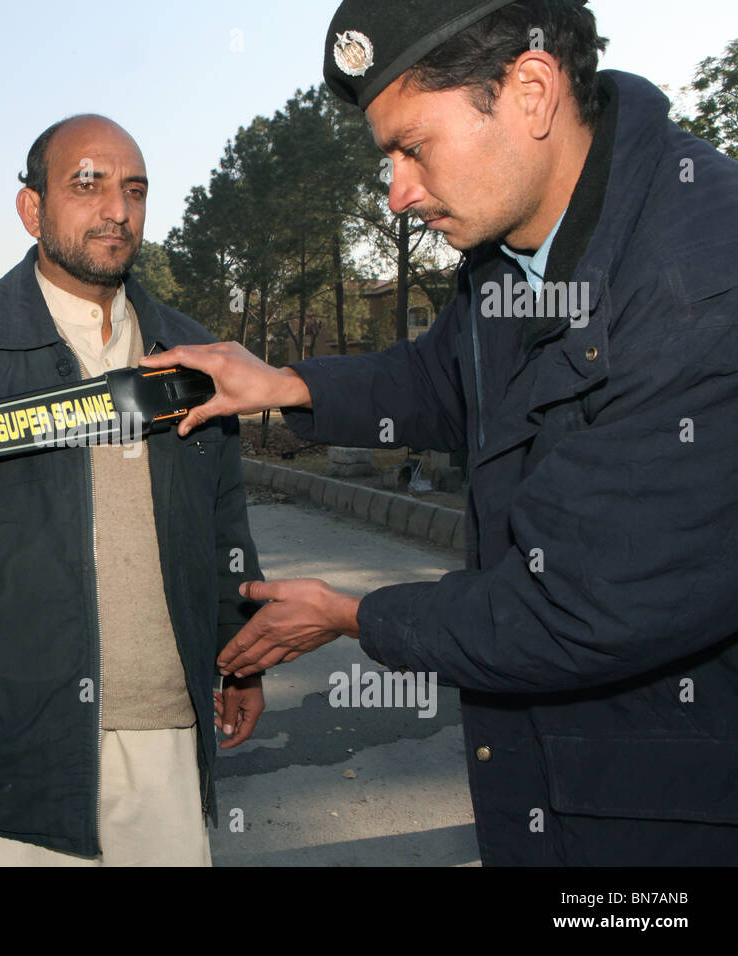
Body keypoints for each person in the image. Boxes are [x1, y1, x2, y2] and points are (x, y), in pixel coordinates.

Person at [143, 0, 738, 865]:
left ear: (530, 91)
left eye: (413, 148)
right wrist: (282, 384)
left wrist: (351, 615)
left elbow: (568, 603)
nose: (397, 194)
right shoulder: (517, 249)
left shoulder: (702, 277)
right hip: (550, 789)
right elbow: (441, 380)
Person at [0, 114, 266, 865]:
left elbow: (222, 523)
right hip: (13, 766)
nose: (117, 208)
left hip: (168, 748)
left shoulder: (189, 358)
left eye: (134, 189)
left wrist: (240, 656)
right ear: (32, 209)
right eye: (88, 184)